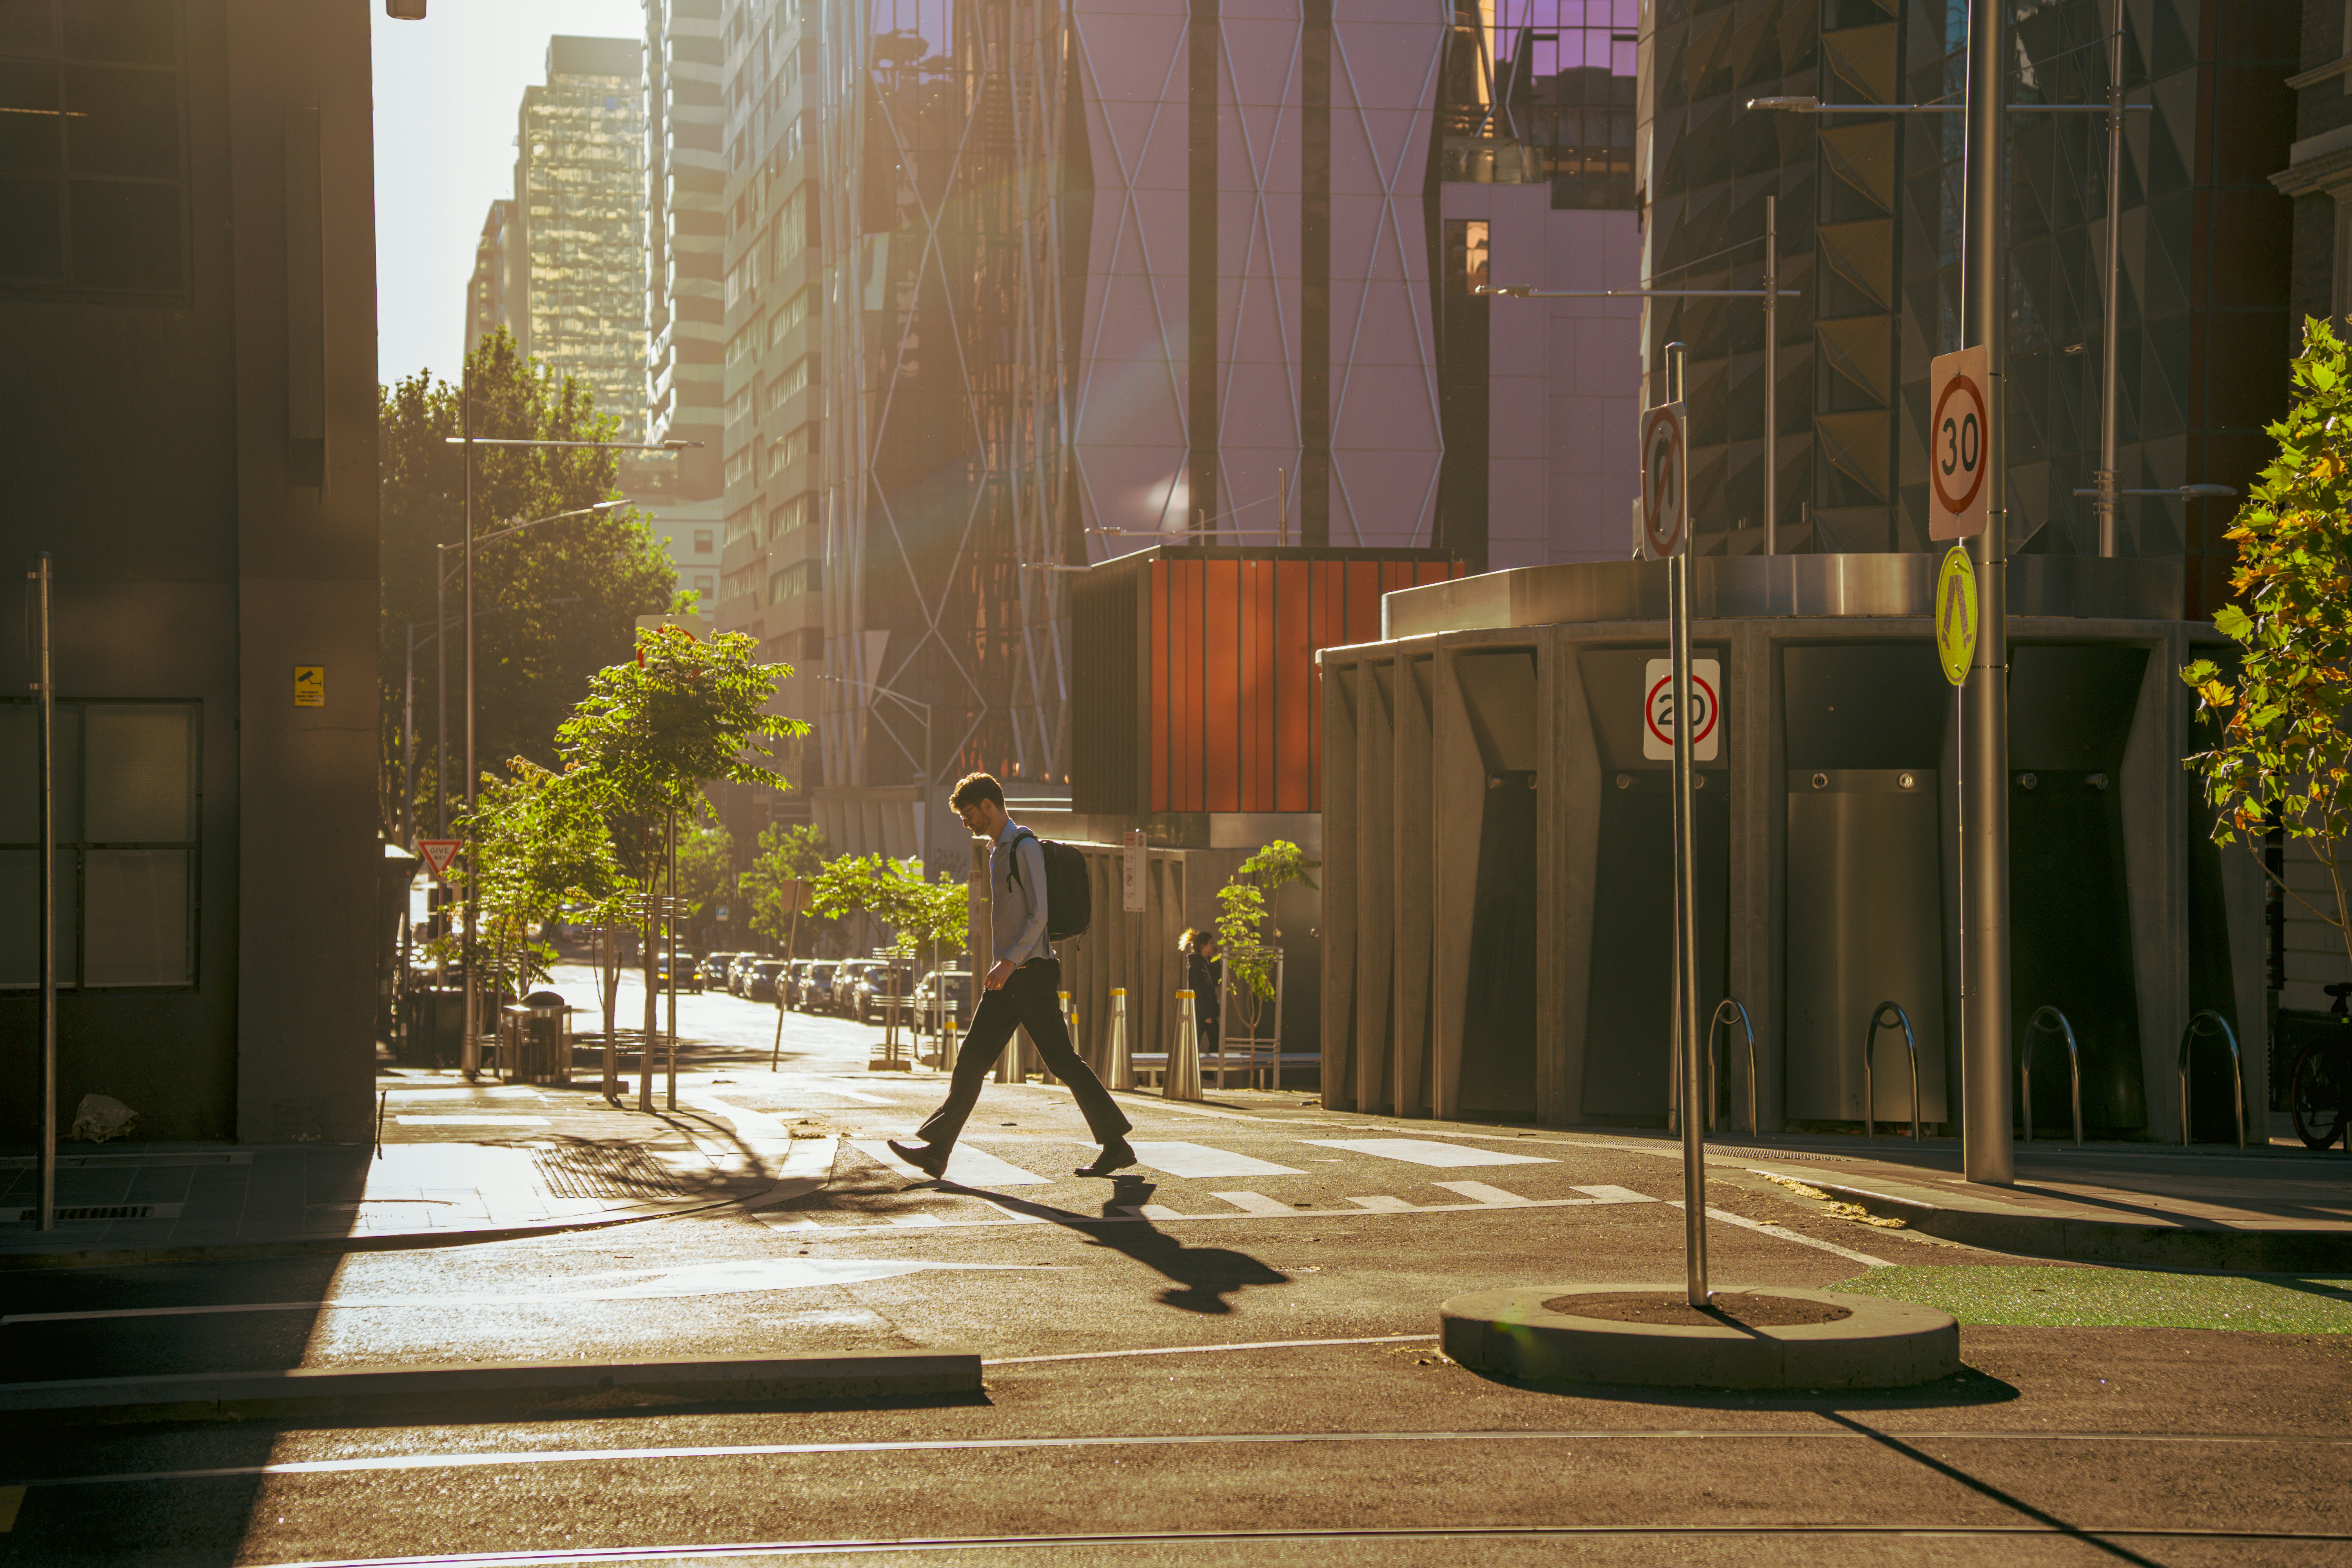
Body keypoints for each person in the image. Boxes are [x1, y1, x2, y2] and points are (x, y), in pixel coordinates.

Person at [889, 772, 1136, 1179]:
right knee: (970, 1064)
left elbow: (1039, 914)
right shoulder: (996, 850)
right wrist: (1005, 966)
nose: (967, 822)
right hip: (1010, 978)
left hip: (1030, 973)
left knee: (1063, 1062)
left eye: (970, 814)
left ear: (989, 805)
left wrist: (1009, 961)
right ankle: (936, 1150)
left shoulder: (1024, 848)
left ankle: (1115, 1143)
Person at [1182, 929, 1222, 1061]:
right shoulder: (1196, 965)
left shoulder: (1206, 963)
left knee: (1211, 1041)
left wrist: (1216, 959)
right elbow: (1196, 992)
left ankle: (1206, 1076)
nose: (1213, 946)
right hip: (1201, 1013)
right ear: (1203, 946)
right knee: (1196, 1044)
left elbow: (1217, 980)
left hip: (1207, 1012)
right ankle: (1204, 1076)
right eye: (1210, 943)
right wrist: (1206, 1016)